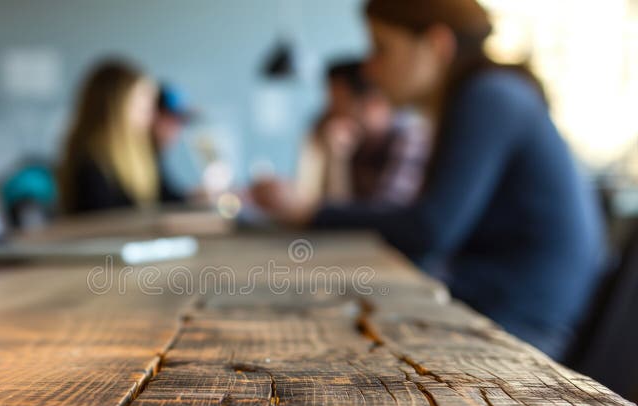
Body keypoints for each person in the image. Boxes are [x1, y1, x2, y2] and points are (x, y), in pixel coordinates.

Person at [252, 0, 606, 360]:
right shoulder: (479, 95)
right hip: (495, 305)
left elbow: (430, 228)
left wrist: (312, 211)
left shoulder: (489, 95)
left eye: (381, 48)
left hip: (520, 328)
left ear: (437, 44)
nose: (371, 69)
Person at [297, 59, 429, 207]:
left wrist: (337, 160)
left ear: (372, 104)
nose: (330, 113)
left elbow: (382, 214)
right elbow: (320, 207)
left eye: (338, 103)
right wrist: (333, 158)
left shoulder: (410, 138)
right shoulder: (352, 140)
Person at [58, 60, 182, 213]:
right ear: (117, 108)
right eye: (143, 106)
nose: (151, 115)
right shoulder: (91, 162)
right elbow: (100, 220)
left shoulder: (143, 154)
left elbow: (167, 198)